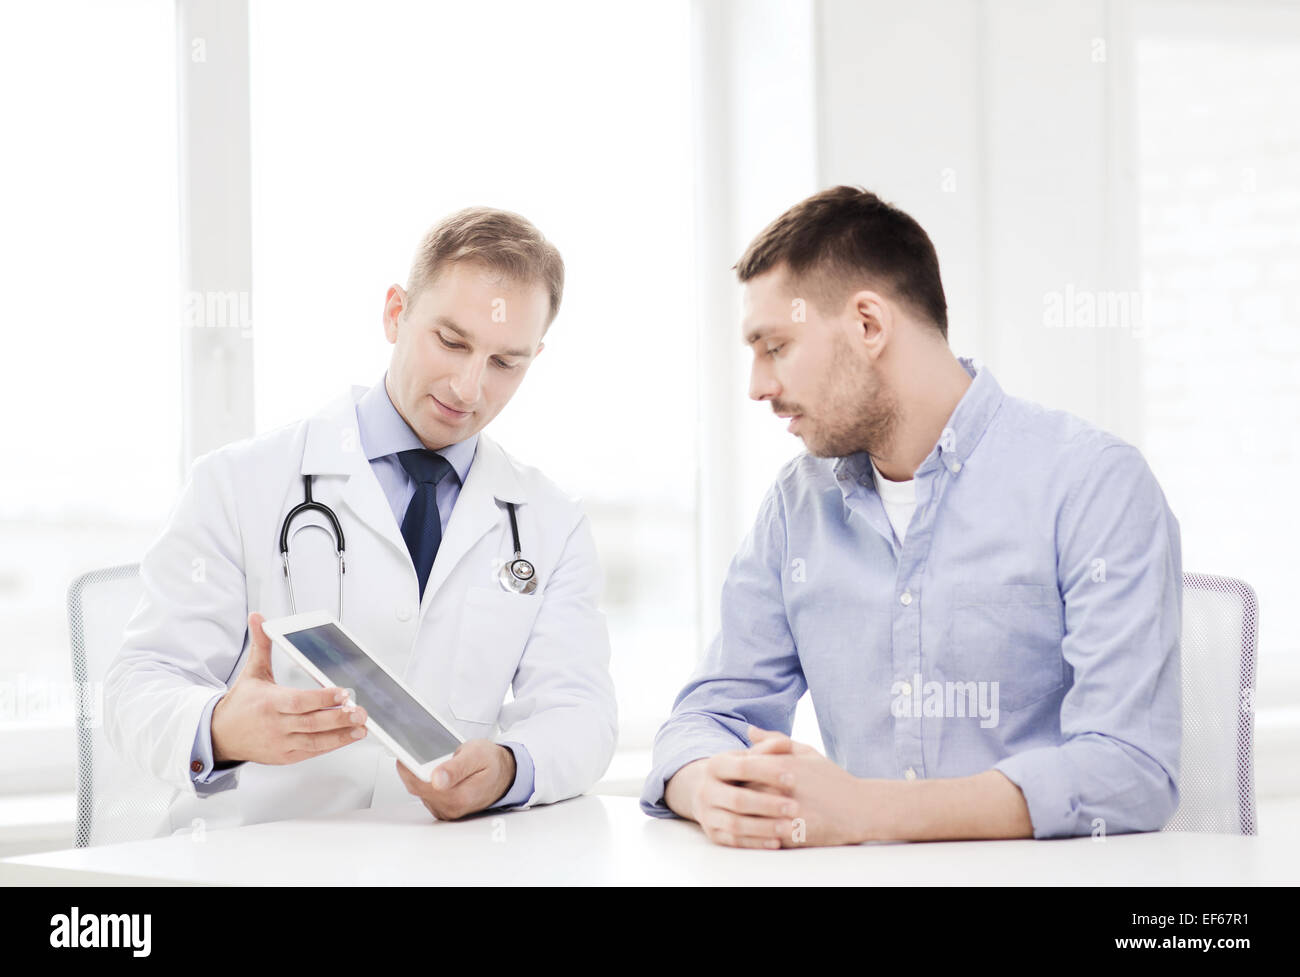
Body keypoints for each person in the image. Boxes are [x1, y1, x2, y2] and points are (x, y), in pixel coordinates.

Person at [641, 186, 1182, 846]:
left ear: (868, 324)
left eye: (774, 346)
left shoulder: (1093, 483)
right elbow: (707, 713)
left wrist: (866, 810)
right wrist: (708, 788)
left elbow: (1130, 768)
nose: (757, 384)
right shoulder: (796, 504)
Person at [106, 207, 617, 831]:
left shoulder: (549, 522)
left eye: (505, 362)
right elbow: (137, 687)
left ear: (535, 356)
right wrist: (221, 726)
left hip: (442, 866)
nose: (467, 386)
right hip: (255, 863)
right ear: (396, 313)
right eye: (451, 342)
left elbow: (581, 714)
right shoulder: (237, 482)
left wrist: (511, 768)